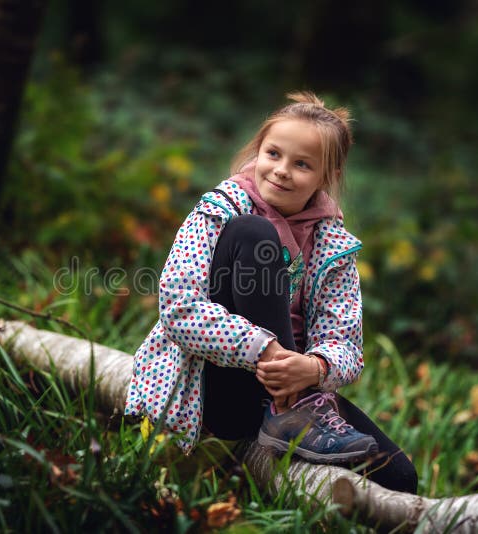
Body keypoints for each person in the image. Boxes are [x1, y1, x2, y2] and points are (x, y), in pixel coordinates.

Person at [125, 92, 418, 493]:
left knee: (400, 476)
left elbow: (347, 346)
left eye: (301, 164)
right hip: (219, 387)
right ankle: (289, 408)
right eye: (274, 154)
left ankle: (293, 410)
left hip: (294, 388)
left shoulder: (333, 243)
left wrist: (312, 368)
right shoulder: (220, 210)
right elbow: (179, 308)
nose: (281, 171)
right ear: (257, 152)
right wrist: (266, 351)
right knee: (255, 234)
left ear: (325, 175)